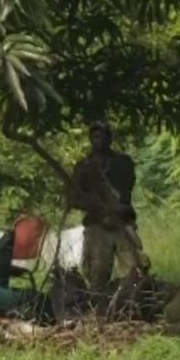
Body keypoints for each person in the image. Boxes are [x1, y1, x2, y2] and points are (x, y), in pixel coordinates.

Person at [68, 119, 146, 294]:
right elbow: (73, 198)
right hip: (97, 226)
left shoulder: (123, 162)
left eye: (102, 135)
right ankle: (99, 311)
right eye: (95, 135)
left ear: (109, 138)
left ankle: (131, 306)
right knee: (98, 275)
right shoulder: (83, 167)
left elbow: (126, 189)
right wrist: (95, 205)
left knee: (135, 272)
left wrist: (115, 205)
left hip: (122, 224)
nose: (98, 139)